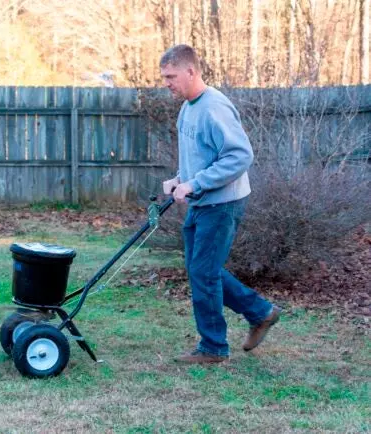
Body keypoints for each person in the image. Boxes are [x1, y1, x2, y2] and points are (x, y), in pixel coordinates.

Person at [159, 44, 281, 364]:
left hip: (223, 202)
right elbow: (201, 156)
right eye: (164, 77)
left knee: (203, 272)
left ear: (191, 71)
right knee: (201, 270)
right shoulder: (188, 107)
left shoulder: (214, 106)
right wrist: (179, 179)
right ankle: (261, 312)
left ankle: (213, 348)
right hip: (203, 200)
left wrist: (195, 184)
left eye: (171, 76)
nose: (167, 83)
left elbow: (240, 156)